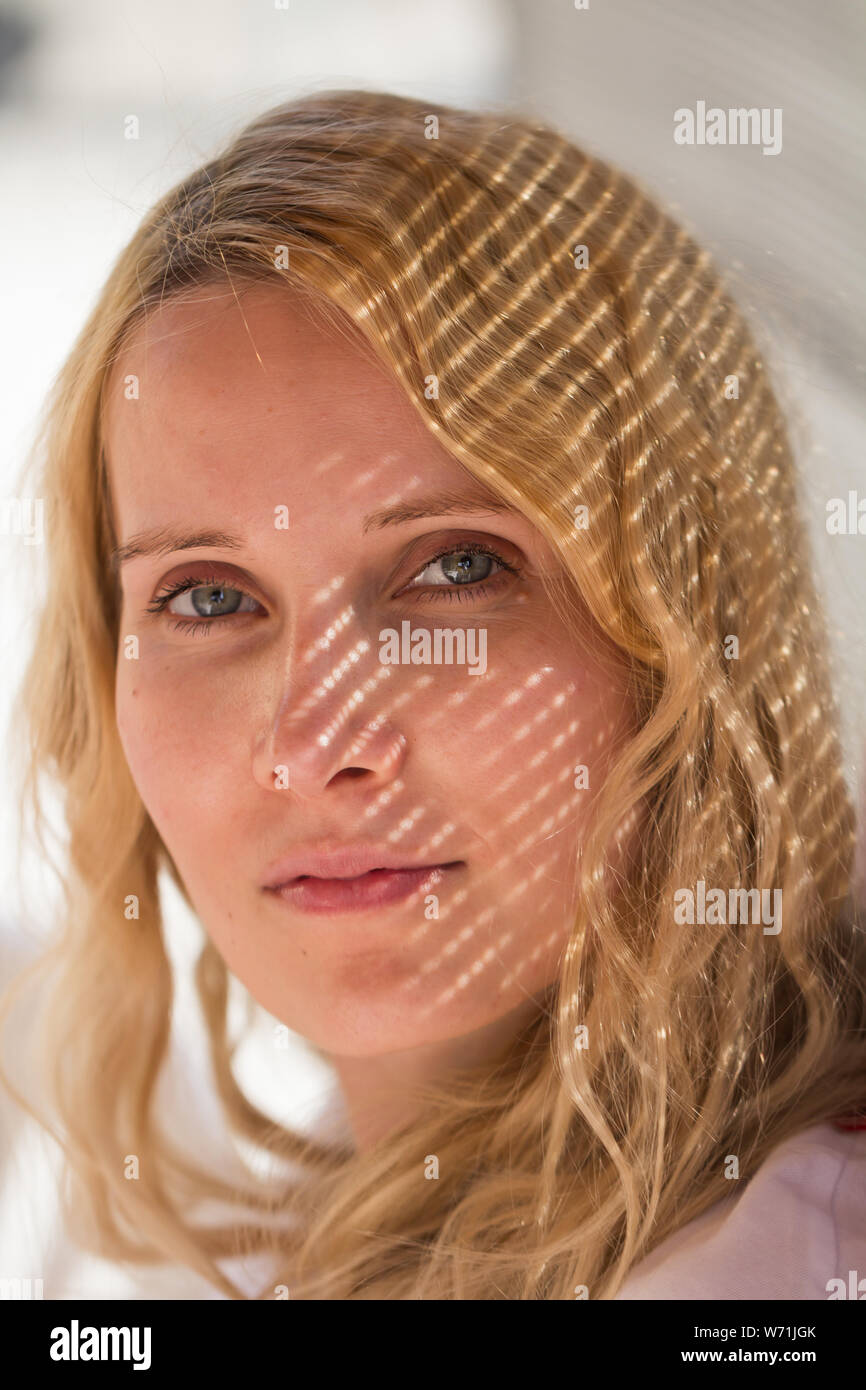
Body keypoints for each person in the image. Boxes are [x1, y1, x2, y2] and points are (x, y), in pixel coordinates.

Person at [2, 88, 864, 1301]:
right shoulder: (346, 1219)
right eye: (207, 596)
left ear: (684, 627)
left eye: (457, 567)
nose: (312, 741)